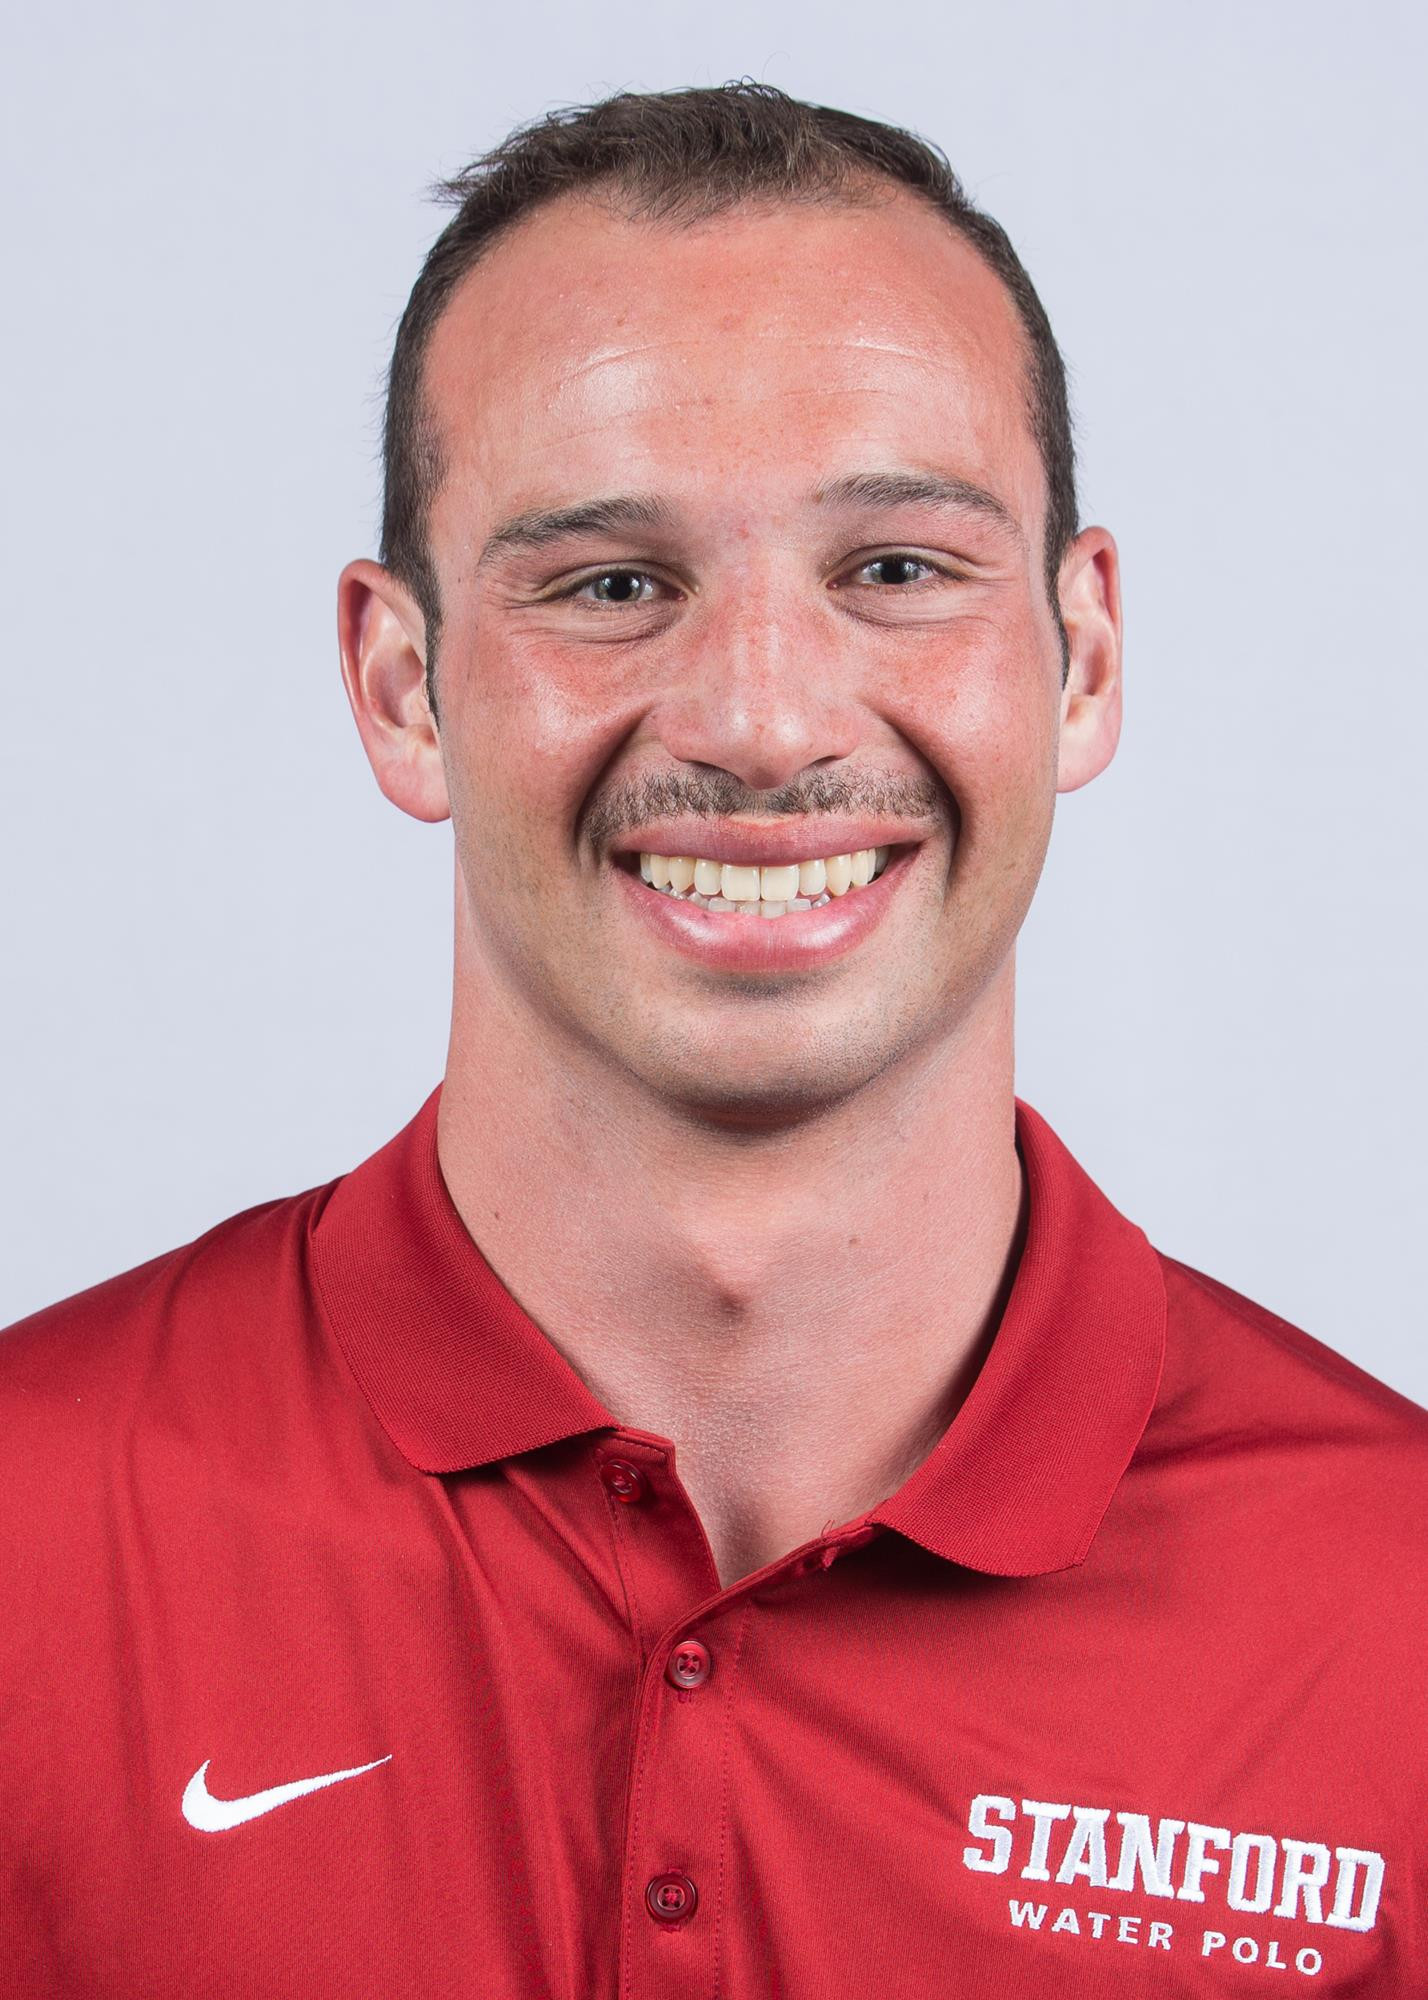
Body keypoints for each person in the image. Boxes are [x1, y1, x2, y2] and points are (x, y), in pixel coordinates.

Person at [1, 81, 1423, 2000]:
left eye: (898, 570)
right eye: (610, 584)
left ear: (1082, 656)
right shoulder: (30, 1539)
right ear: (400, 686)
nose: (761, 718)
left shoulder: (1392, 1606)